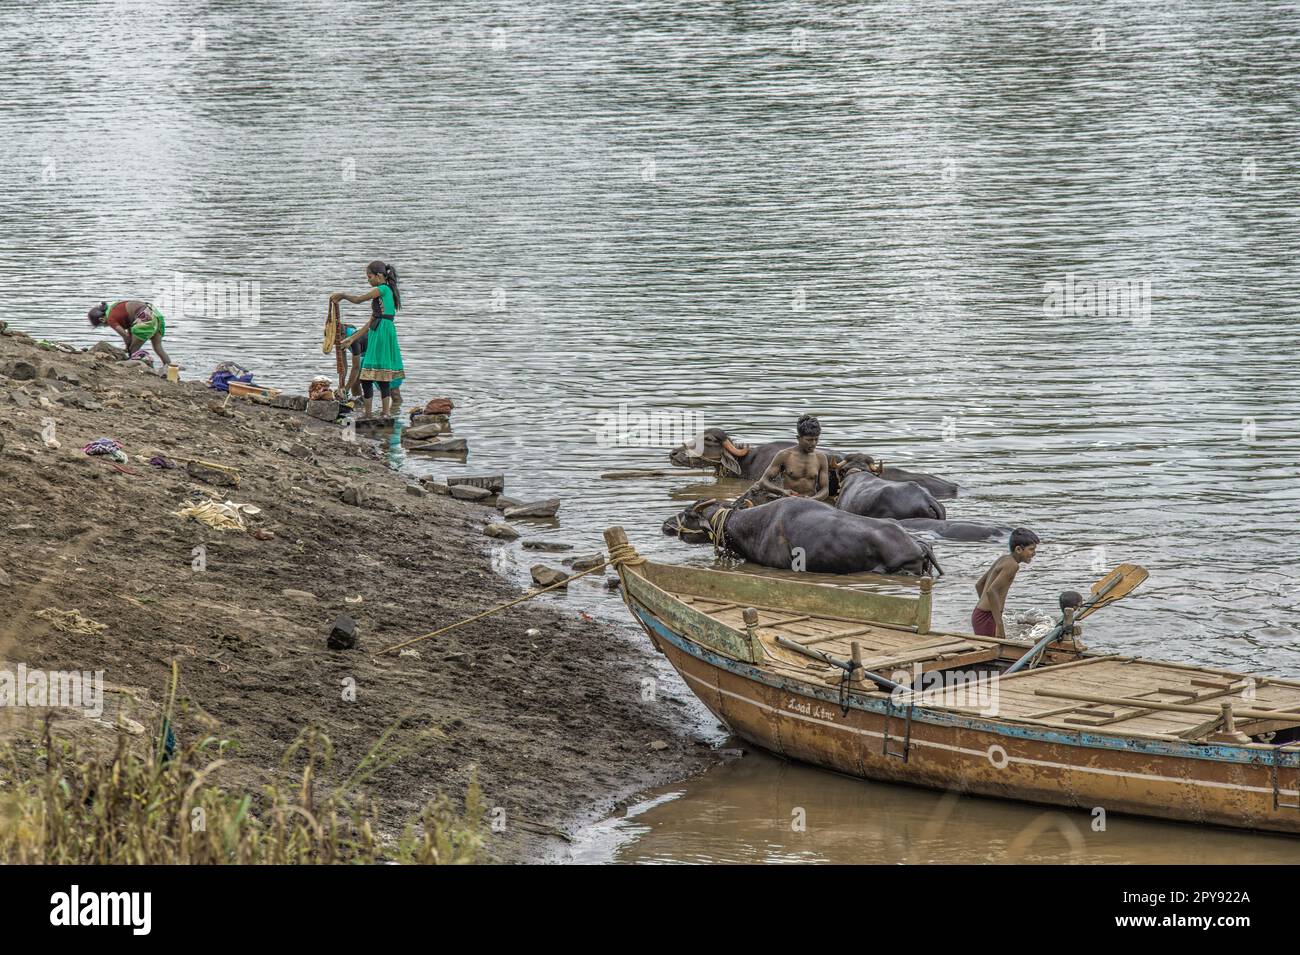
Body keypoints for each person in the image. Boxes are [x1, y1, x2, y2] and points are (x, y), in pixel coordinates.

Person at [330, 261, 405, 418]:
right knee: (382, 376)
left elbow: (358, 300)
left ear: (379, 276)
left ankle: (369, 414)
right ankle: (385, 414)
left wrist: (342, 296)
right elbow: (370, 322)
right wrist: (351, 339)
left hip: (381, 333)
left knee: (366, 376)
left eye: (369, 277)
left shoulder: (381, 289)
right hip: (383, 330)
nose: (368, 280)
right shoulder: (388, 292)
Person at [972, 528, 1040, 638]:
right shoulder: (1012, 565)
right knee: (994, 651)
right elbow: (991, 591)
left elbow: (979, 585)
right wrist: (999, 624)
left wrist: (984, 606)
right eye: (1031, 549)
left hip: (979, 614)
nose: (1034, 553)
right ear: (1018, 549)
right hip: (986, 617)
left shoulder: (1004, 559)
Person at [754, 414, 831, 502]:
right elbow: (763, 481)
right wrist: (782, 492)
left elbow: (825, 490)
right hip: (788, 501)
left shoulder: (821, 458)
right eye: (809, 440)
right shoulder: (784, 455)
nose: (813, 443)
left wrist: (812, 499)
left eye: (816, 439)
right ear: (798, 438)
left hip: (811, 503)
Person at [87, 300, 173, 367]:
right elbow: (130, 330)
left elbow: (126, 336)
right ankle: (169, 368)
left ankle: (138, 367)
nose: (106, 326)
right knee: (158, 348)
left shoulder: (110, 318)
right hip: (155, 315)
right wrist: (126, 346)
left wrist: (129, 349)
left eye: (103, 325)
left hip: (145, 319)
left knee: (133, 351)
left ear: (102, 319)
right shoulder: (115, 308)